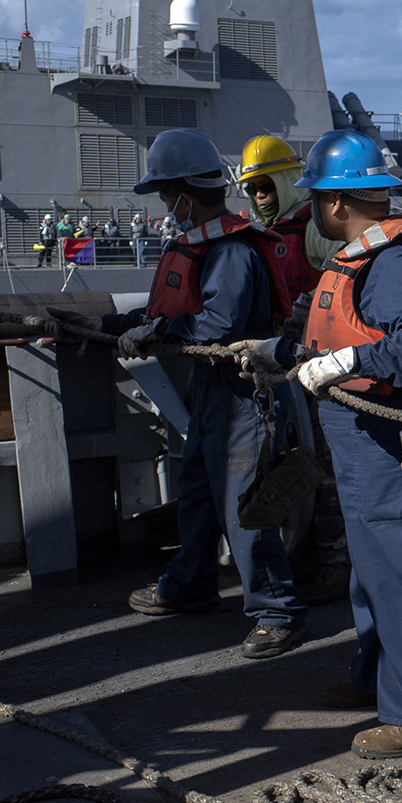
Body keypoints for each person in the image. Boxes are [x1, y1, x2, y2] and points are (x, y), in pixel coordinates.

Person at [242, 129, 402, 760]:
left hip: (396, 445)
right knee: (374, 569)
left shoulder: (399, 260)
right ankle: (380, 680)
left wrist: (346, 359)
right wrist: (283, 353)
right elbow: (341, 335)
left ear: (334, 203)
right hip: (366, 448)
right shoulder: (364, 254)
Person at [101, 129, 307, 660]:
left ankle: (277, 610)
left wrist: (159, 334)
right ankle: (191, 582)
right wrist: (107, 324)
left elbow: (218, 324)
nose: (168, 208)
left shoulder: (233, 250)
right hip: (216, 393)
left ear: (185, 196)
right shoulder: (209, 243)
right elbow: (171, 315)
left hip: (246, 393)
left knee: (243, 504)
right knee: (197, 487)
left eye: (168, 198)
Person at [238, 133, 351, 606]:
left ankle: (337, 564)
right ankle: (312, 555)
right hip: (280, 368)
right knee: (295, 464)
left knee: (326, 471)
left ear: (286, 181)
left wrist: (295, 322)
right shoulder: (259, 234)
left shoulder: (314, 228)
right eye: (253, 188)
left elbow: (338, 281)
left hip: (319, 370)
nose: (260, 195)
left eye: (266, 186)